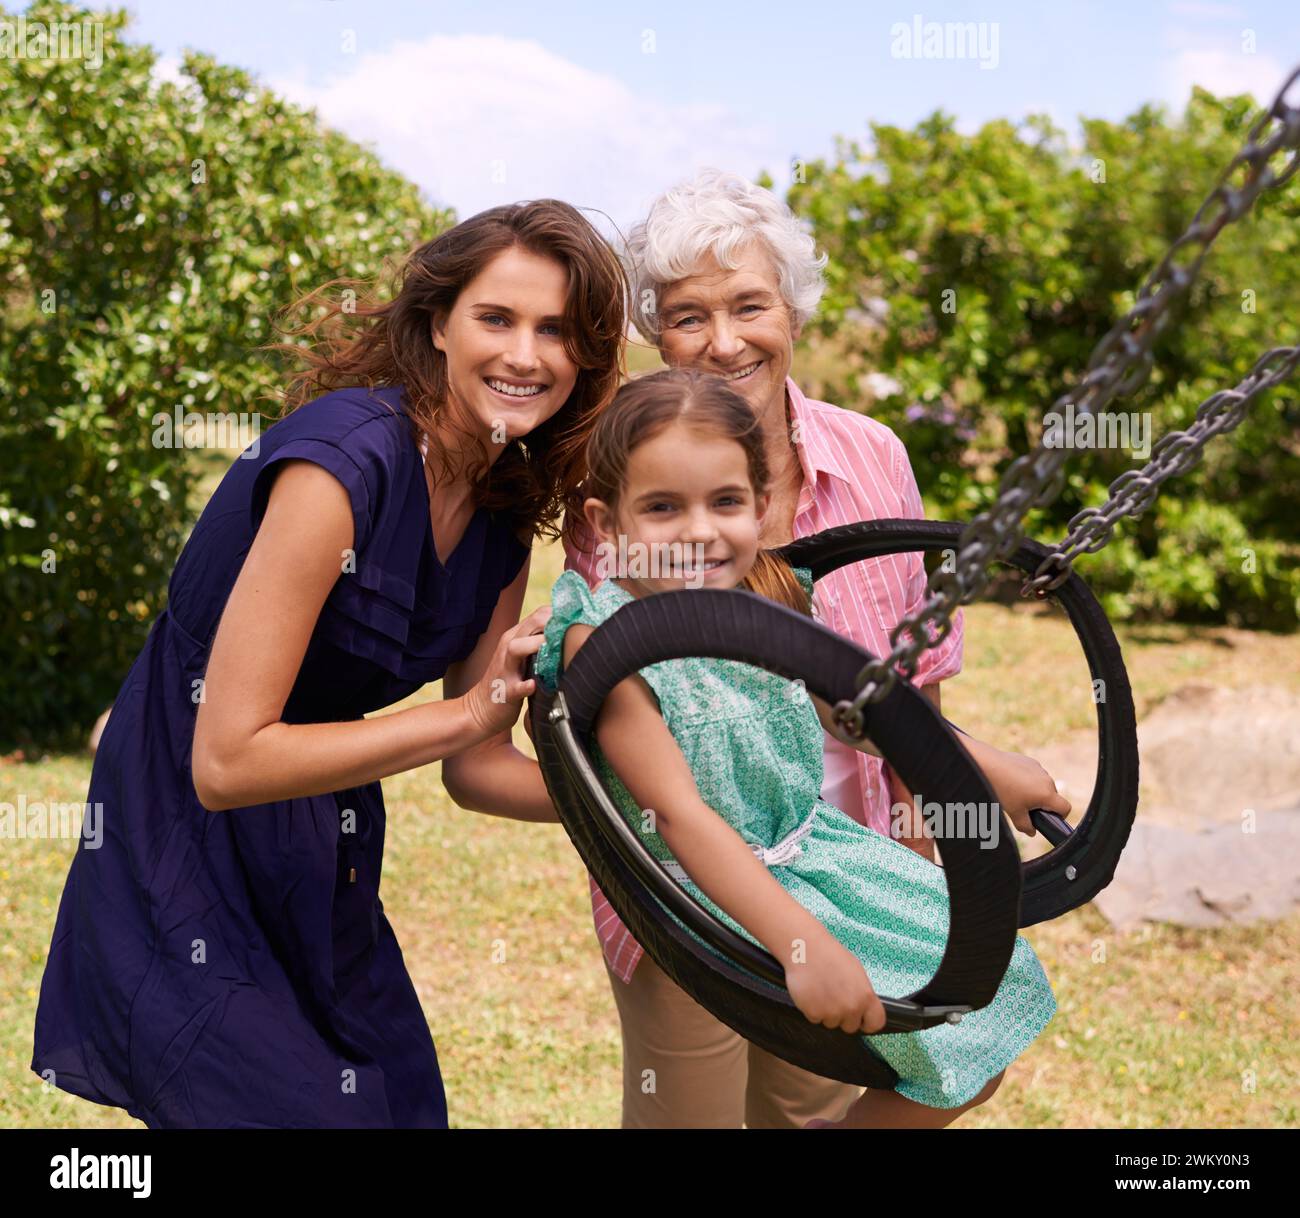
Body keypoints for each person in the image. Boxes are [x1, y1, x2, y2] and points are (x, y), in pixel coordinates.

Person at [30, 199, 628, 1128]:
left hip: (322, 835)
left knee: (395, 1106)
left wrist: (652, 807)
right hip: (185, 826)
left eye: (556, 330)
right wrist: (466, 716)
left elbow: (474, 773)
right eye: (496, 318)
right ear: (437, 325)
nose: (526, 354)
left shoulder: (506, 504)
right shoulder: (342, 464)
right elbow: (228, 763)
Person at [537, 367, 1066, 1127]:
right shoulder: (609, 643)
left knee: (983, 1000)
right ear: (608, 519)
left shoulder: (765, 598)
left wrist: (982, 768)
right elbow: (680, 817)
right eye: (661, 508)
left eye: (725, 502)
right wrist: (801, 945)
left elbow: (857, 710)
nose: (697, 530)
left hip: (816, 857)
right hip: (711, 900)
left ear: (759, 506)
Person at [563, 168, 975, 1126]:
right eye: (687, 315)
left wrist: (919, 851)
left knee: (822, 1106)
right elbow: (613, 728)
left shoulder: (875, 457)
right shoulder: (622, 486)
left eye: (750, 304)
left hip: (845, 862)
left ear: (792, 309)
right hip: (688, 889)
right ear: (653, 334)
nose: (724, 339)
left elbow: (910, 686)